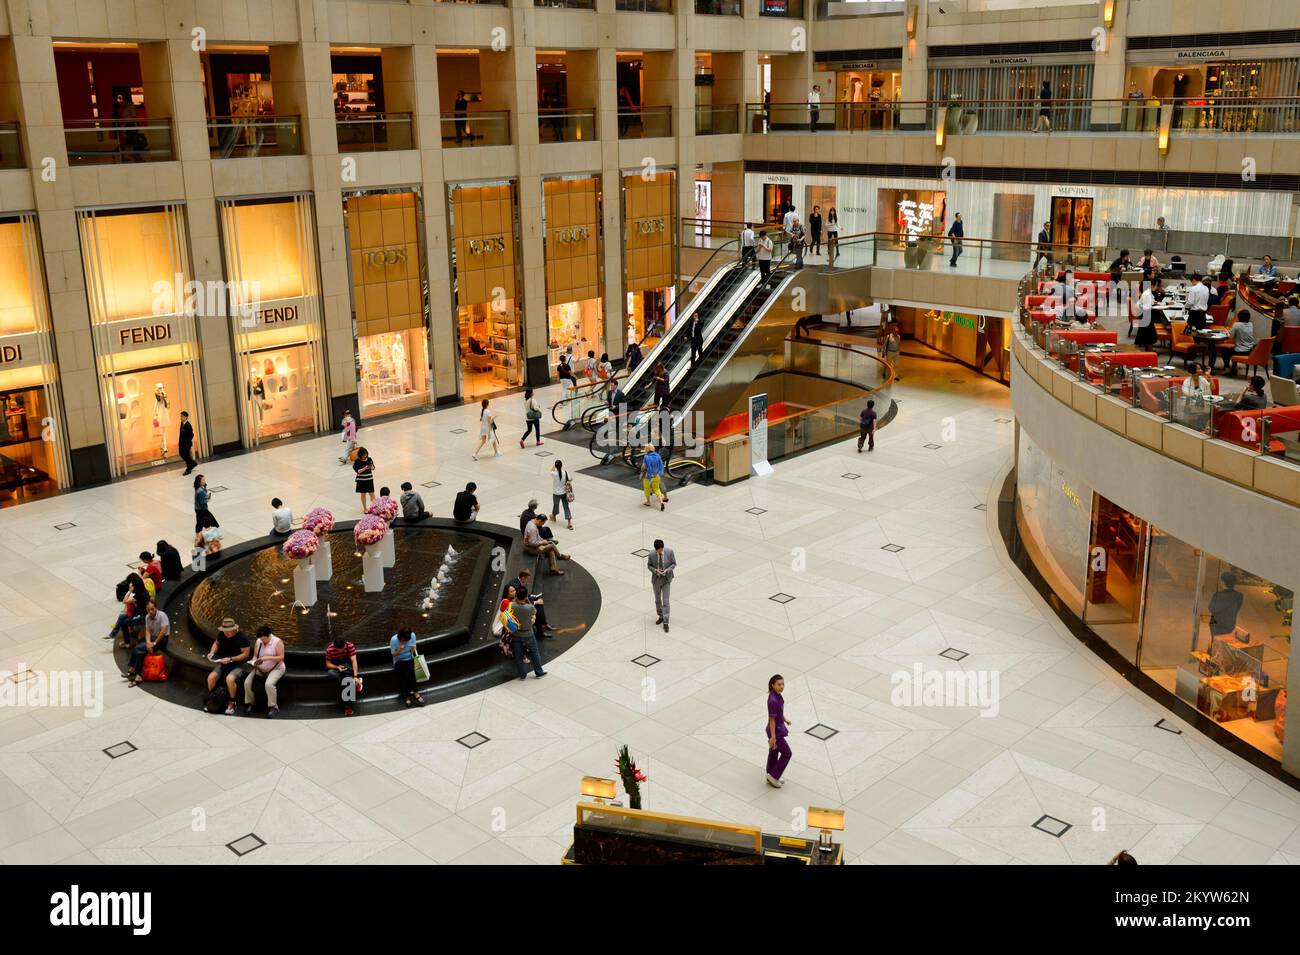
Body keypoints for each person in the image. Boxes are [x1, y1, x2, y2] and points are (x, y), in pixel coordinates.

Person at [206, 617, 251, 715]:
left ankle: (232, 702)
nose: (225, 633)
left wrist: (231, 659)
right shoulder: (222, 634)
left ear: (234, 629)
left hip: (239, 664)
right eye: (224, 631)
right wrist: (212, 652)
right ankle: (213, 698)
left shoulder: (242, 638)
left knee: (230, 679)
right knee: (211, 678)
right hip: (223, 662)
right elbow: (216, 643)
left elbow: (245, 655)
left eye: (228, 631)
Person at [243, 625, 285, 717]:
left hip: (275, 668)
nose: (262, 641)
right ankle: (251, 703)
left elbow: (281, 658)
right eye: (260, 639)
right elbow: (255, 655)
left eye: (263, 639)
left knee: (269, 684)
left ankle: (273, 707)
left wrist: (267, 658)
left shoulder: (277, 642)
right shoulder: (259, 641)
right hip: (260, 668)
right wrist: (253, 661)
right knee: (247, 683)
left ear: (269, 635)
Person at [125, 600, 168, 684]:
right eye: (148, 610)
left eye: (152, 609)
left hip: (162, 639)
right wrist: (148, 643)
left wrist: (154, 643)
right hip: (152, 638)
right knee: (140, 652)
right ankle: (138, 676)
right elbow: (147, 631)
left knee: (137, 648)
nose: (151, 611)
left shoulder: (162, 616)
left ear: (156, 607)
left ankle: (132, 668)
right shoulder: (147, 617)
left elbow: (163, 632)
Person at [508, 568, 555, 637]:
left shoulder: (517, 582)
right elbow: (521, 599)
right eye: (527, 579)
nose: (528, 581)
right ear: (523, 577)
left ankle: (543, 625)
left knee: (538, 601)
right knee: (538, 607)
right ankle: (543, 626)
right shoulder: (516, 585)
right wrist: (535, 602)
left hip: (520, 600)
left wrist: (535, 597)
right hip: (517, 603)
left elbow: (525, 596)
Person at [510, 593, 547, 680]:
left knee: (518, 654)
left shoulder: (511, 605)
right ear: (525, 596)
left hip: (516, 633)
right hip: (528, 634)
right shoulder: (529, 607)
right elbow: (534, 613)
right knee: (534, 652)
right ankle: (539, 672)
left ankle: (522, 674)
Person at [108, 573, 149, 647]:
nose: (130, 585)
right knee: (122, 617)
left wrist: (129, 591)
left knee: (124, 623)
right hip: (137, 612)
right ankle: (112, 636)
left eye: (131, 584)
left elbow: (124, 601)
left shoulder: (138, 595)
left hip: (142, 616)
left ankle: (127, 643)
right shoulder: (143, 591)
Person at [766, 674, 792, 787]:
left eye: (783, 684)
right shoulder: (773, 700)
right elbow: (771, 720)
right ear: (773, 685)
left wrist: (785, 719)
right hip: (775, 731)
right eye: (779, 684)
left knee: (774, 752)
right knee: (787, 753)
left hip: (778, 728)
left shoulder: (777, 695)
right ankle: (773, 776)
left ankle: (770, 775)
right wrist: (773, 737)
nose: (782, 686)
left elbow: (778, 712)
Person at [324, 633, 360, 716]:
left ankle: (348, 707)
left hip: (347, 666)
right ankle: (353, 683)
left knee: (347, 677)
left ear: (345, 644)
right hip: (337, 668)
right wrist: (337, 667)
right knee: (330, 673)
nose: (340, 651)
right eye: (338, 649)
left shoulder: (350, 646)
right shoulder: (330, 649)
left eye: (342, 649)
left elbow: (354, 661)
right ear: (334, 646)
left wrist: (355, 676)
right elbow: (328, 664)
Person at [390, 627, 424, 707]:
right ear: (400, 637)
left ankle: (409, 695)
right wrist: (400, 650)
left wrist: (413, 648)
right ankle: (414, 693)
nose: (405, 642)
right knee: (407, 673)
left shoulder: (412, 635)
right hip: (399, 660)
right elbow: (393, 654)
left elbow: (413, 648)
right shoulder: (394, 640)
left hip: (410, 658)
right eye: (404, 640)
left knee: (409, 672)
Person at [648, 538, 675, 633]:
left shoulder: (670, 552)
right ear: (655, 549)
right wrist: (656, 571)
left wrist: (667, 570)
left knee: (666, 601)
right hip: (656, 580)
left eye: (661, 550)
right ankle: (661, 616)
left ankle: (666, 622)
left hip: (666, 579)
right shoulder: (651, 554)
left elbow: (674, 564)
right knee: (657, 600)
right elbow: (649, 565)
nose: (660, 551)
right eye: (658, 550)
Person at [1208, 573, 1244, 638]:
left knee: (1216, 642)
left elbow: (1211, 608)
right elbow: (1237, 608)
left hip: (1216, 625)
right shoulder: (1239, 596)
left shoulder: (1217, 595)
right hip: (1229, 624)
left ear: (1223, 582)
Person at [641, 443, 667, 510]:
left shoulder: (646, 457)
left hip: (648, 477)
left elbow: (643, 467)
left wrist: (642, 470)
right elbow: (661, 465)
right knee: (657, 489)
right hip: (656, 476)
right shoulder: (658, 455)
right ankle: (661, 502)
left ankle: (648, 502)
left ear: (646, 449)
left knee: (646, 490)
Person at [550, 459, 574, 530]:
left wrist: (554, 465)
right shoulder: (565, 472)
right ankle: (569, 522)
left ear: (556, 466)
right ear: (561, 465)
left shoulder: (554, 473)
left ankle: (553, 516)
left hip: (556, 493)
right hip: (564, 493)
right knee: (566, 507)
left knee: (556, 505)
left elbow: (551, 470)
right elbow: (570, 478)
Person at [352, 447, 376, 512]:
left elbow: (373, 468)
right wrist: (365, 468)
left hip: (369, 479)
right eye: (363, 455)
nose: (365, 456)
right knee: (363, 494)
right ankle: (365, 508)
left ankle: (375, 508)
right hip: (361, 481)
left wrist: (371, 466)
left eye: (366, 454)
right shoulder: (357, 461)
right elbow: (358, 471)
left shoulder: (369, 459)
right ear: (360, 455)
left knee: (372, 494)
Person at [178, 410, 196, 475]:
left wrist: (187, 443)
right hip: (181, 444)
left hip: (186, 444)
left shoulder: (188, 426)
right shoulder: (181, 423)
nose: (180, 417)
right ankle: (193, 463)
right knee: (181, 454)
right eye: (180, 416)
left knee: (187, 456)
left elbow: (191, 435)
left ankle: (188, 470)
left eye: (182, 416)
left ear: (186, 417)